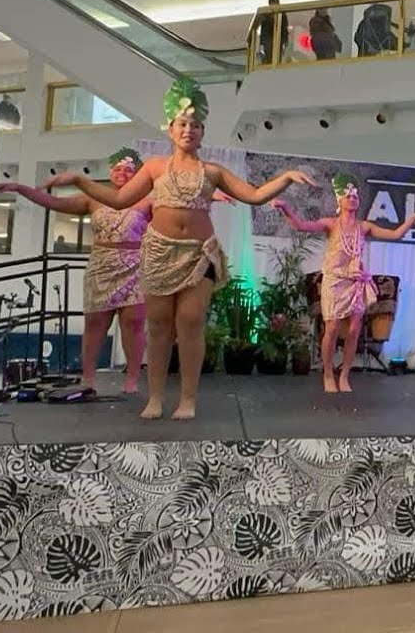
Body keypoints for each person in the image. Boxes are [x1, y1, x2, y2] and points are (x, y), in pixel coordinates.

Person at [42, 77, 315, 420]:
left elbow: (254, 195)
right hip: (159, 252)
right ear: (171, 129)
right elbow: (119, 198)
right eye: (183, 124)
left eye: (196, 125)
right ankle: (155, 397)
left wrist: (286, 177)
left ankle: (188, 399)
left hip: (199, 254)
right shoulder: (155, 167)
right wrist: (81, 180)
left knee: (190, 319)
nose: (189, 130)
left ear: (203, 131)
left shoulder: (213, 171)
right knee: (157, 326)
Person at [0, 149, 153, 394]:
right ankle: (88, 378)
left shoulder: (148, 201)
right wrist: (20, 188)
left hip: (135, 264)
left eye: (129, 169)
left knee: (133, 322)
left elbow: (178, 211)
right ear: (110, 172)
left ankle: (132, 378)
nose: (122, 173)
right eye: (117, 168)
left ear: (139, 174)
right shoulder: (93, 199)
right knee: (95, 323)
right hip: (101, 264)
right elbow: (54, 202)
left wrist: (208, 193)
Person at [273, 175, 415, 393]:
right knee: (332, 328)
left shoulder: (364, 227)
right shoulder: (331, 224)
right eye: (348, 196)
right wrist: (286, 208)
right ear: (339, 201)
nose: (352, 199)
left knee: (354, 329)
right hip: (334, 281)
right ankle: (327, 373)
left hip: (355, 282)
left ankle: (344, 374)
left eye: (355, 196)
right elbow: (301, 225)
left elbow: (393, 234)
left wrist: (410, 220)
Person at [256, 0, 290, 65]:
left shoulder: (282, 14)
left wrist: (285, 39)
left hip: (277, 39)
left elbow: (284, 28)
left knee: (276, 56)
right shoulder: (266, 14)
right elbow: (264, 30)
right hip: (269, 40)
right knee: (269, 56)